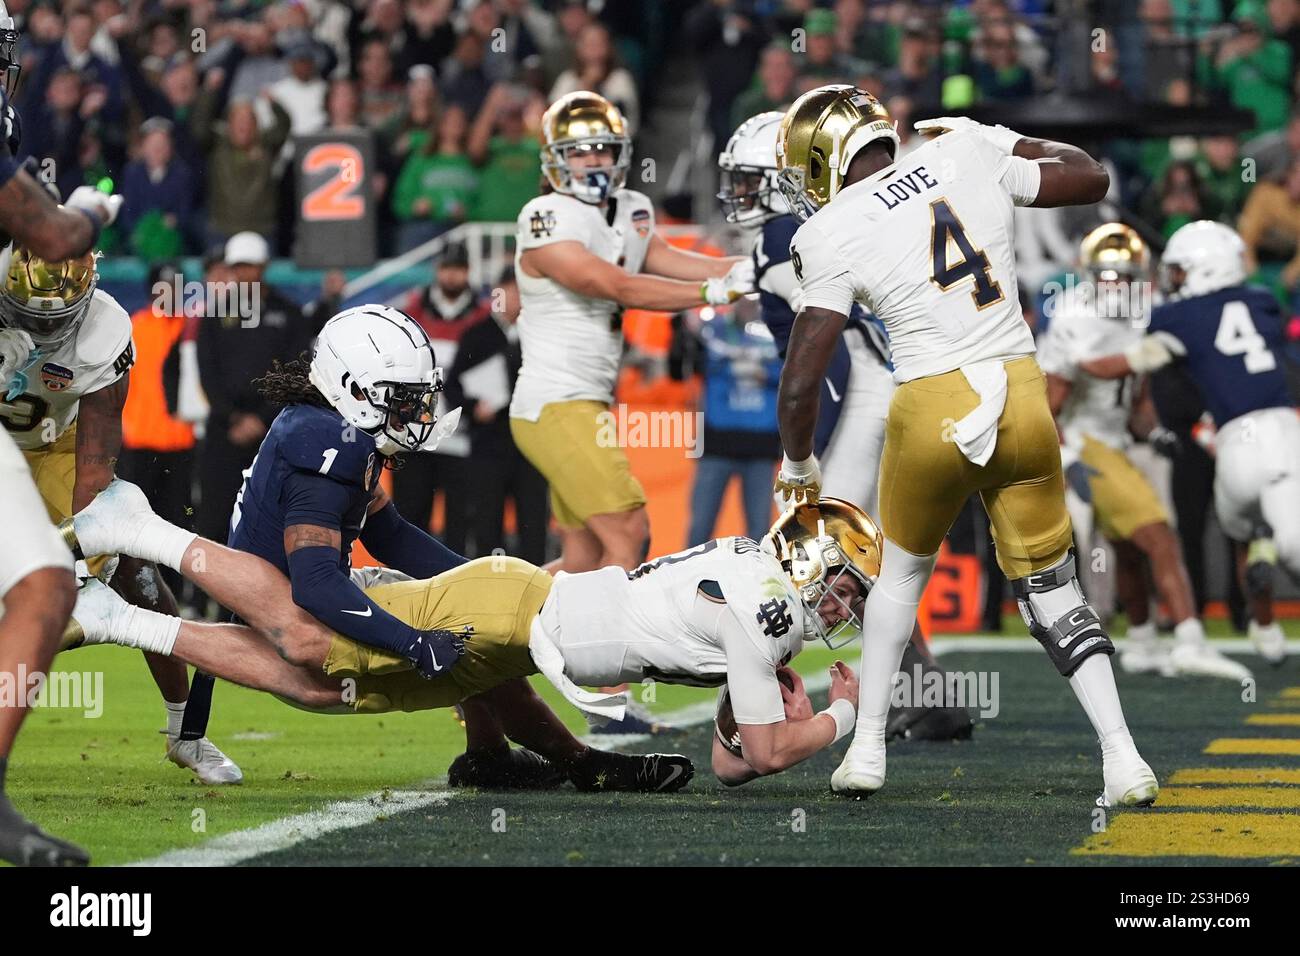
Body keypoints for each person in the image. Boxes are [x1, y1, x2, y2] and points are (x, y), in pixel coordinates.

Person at [773, 86, 1157, 807]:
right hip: (1022, 395)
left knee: (897, 577)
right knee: (1055, 593)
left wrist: (800, 465)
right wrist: (1000, 133)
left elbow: (800, 383)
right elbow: (1090, 175)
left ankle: (868, 750)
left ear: (823, 162)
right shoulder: (965, 149)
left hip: (930, 405)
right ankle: (1122, 756)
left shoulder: (827, 230)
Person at [67, 486, 883, 787]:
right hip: (509, 612)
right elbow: (768, 757)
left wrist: (781, 709)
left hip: (522, 619)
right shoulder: (766, 608)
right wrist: (839, 718)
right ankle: (137, 551)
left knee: (323, 675)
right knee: (313, 652)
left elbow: (732, 762)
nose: (845, 608)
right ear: (808, 563)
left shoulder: (757, 584)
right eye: (844, 585)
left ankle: (123, 606)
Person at [0, 245, 242, 785]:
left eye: (56, 318)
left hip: (57, 445)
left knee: (131, 565)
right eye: (28, 316)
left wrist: (84, 562)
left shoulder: (105, 328)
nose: (43, 329)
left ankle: (186, 732)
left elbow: (94, 467)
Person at [510, 91, 753, 575]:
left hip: (585, 403)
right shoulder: (545, 216)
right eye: (579, 150)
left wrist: (754, 267)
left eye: (602, 148)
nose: (593, 160)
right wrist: (716, 292)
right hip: (555, 403)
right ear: (556, 158)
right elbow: (612, 282)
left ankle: (498, 634)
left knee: (584, 560)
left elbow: (672, 260)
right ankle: (610, 649)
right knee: (628, 532)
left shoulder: (631, 209)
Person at [1078, 220, 1295, 666]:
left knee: (1241, 526)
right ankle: (1270, 560)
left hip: (1232, 446)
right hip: (1282, 431)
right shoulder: (1262, 302)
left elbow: (1136, 359)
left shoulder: (1176, 317)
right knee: (1290, 541)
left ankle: (1265, 623)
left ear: (1203, 269)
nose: (1173, 280)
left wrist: (1081, 362)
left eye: (1178, 271)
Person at [1039, 223, 1249, 680]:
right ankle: (1191, 639)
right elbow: (1049, 403)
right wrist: (1069, 461)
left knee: (1128, 551)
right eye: (1107, 277)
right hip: (1081, 443)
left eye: (1124, 277)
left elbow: (1135, 400)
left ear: (1140, 276)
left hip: (1115, 441)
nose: (1115, 286)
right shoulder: (1074, 315)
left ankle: (1142, 642)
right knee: (1160, 536)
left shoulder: (1145, 315)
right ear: (1090, 276)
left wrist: (1153, 432)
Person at [443, 267, 549, 562]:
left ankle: (540, 593)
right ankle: (492, 592)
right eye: (513, 290)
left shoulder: (538, 337)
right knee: (488, 524)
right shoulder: (476, 336)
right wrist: (474, 408)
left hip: (531, 448)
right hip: (488, 446)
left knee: (534, 523)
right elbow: (452, 387)